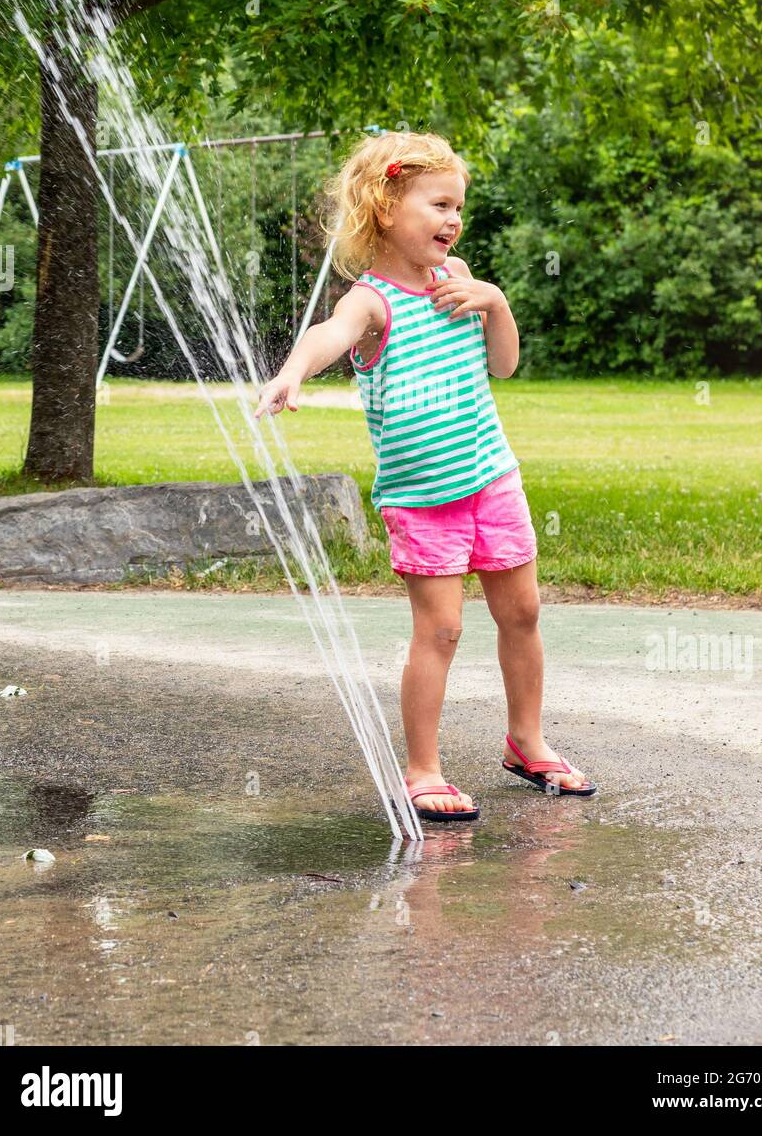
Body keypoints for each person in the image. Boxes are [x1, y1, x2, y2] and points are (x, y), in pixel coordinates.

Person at [255, 131, 596, 821]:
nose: (452, 219)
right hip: (422, 501)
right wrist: (293, 371)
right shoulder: (372, 302)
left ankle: (526, 742)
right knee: (440, 631)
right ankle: (422, 769)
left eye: (458, 207)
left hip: (491, 478)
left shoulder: (457, 280)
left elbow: (504, 365)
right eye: (438, 204)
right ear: (385, 207)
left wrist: (494, 300)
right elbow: (328, 333)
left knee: (522, 612)